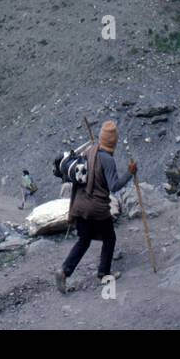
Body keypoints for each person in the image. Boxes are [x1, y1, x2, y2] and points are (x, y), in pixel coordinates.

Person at [56, 120, 136, 292]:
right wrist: (130, 173)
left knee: (84, 240)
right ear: (113, 141)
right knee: (110, 238)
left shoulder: (88, 151)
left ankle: (64, 271)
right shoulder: (107, 160)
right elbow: (114, 186)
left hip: (79, 205)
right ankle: (104, 274)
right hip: (97, 208)